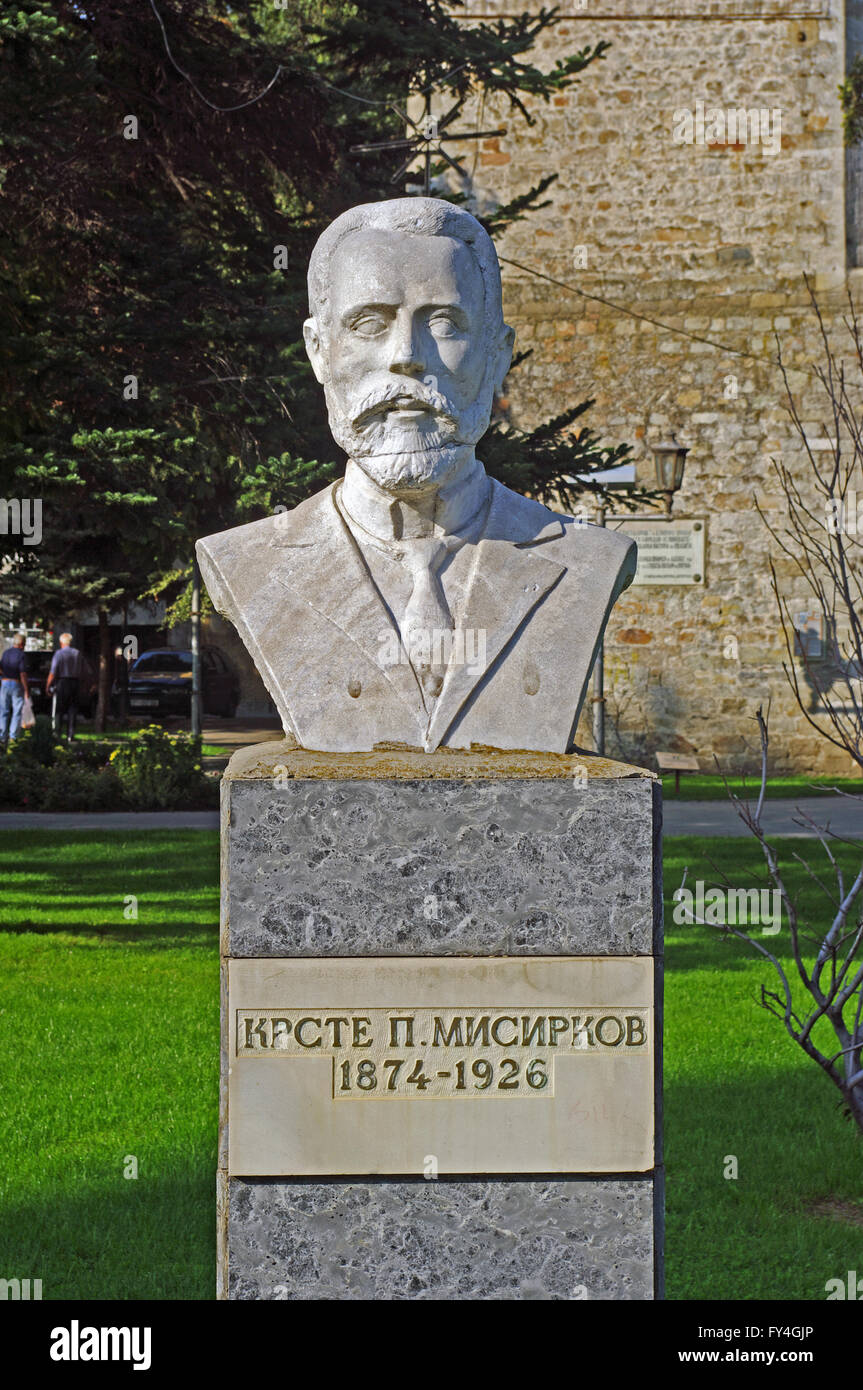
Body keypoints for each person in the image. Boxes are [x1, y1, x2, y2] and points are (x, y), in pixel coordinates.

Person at [197, 198, 636, 754]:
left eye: (445, 323)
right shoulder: (249, 561)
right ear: (319, 352)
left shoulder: (584, 560)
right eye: (368, 324)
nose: (406, 356)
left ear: (498, 356)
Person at [45, 633, 91, 742]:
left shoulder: (59, 654)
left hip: (62, 682)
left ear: (61, 643)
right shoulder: (77, 653)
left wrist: (48, 685)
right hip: (75, 682)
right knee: (73, 709)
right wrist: (85, 685)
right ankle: (71, 734)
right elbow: (86, 671)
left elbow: (53, 671)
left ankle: (57, 733)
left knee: (59, 710)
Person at [0, 633, 30, 745]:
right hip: (16, 683)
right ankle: (13, 737)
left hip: (4, 683)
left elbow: (0, 667)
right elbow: (22, 673)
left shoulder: (6, 653)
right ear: (22, 644)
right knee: (16, 711)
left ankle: (2, 736)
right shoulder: (21, 655)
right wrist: (26, 690)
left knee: (3, 710)